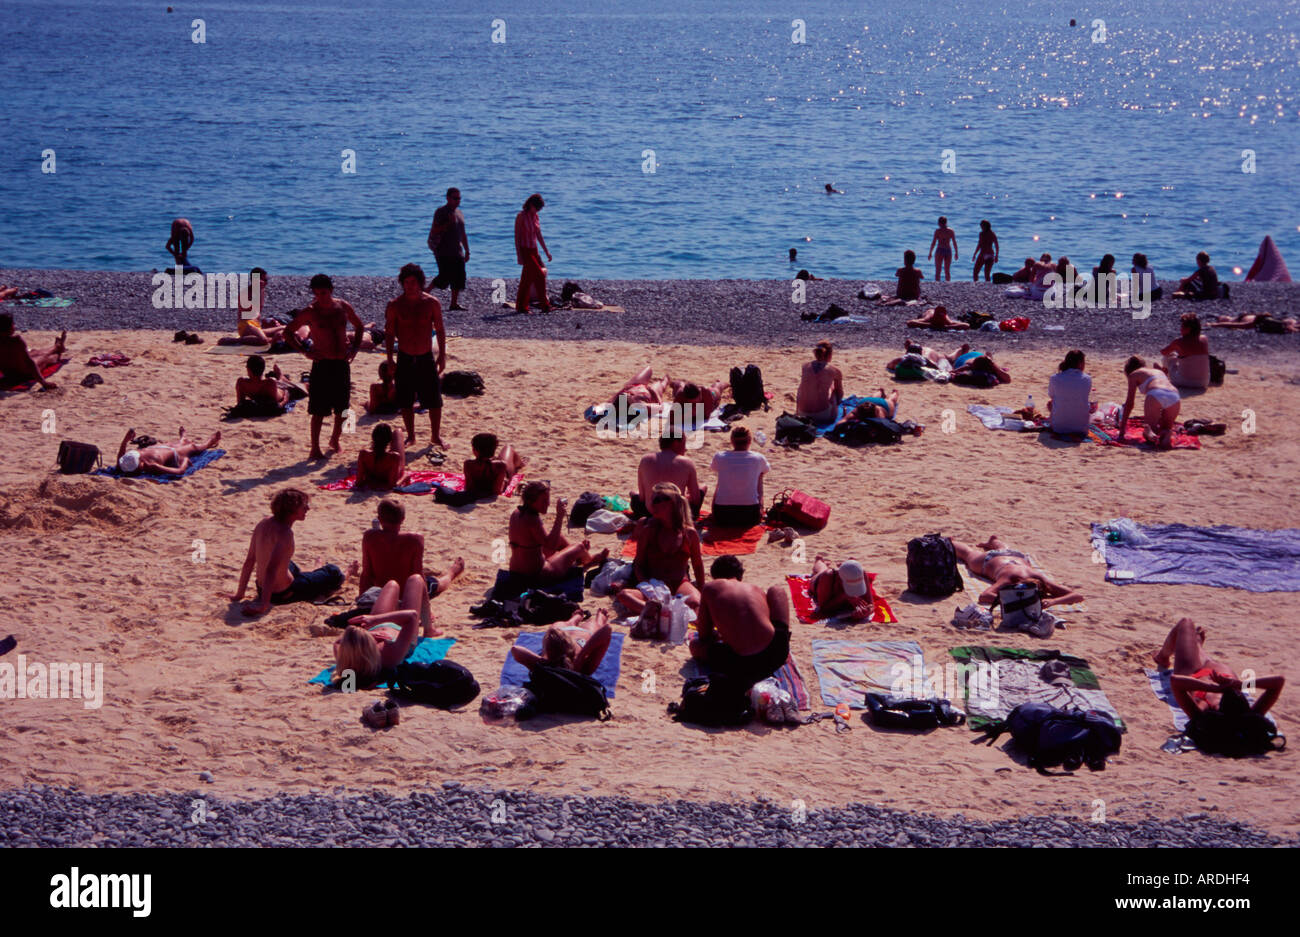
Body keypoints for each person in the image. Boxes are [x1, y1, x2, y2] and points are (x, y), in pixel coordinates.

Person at [284, 274, 364, 460]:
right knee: (318, 410)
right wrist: (305, 351)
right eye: (317, 293)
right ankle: (315, 447)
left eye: (324, 293)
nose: (321, 297)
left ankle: (335, 440)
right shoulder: (311, 311)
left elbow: (359, 326)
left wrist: (354, 349)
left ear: (331, 290)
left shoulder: (343, 307)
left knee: (343, 408)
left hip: (342, 363)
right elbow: (287, 332)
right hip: (322, 363)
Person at [689, 555, 791, 696]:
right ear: (740, 575)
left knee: (695, 646)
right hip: (777, 653)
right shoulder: (755, 589)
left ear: (715, 576)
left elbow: (704, 635)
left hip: (742, 664)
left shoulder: (710, 587)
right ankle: (784, 639)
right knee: (776, 590)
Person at [232, 488, 342, 616]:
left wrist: (239, 594)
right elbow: (271, 570)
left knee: (288, 563)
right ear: (292, 510)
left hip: (262, 589)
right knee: (334, 572)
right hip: (283, 593)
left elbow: (250, 560)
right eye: (304, 506)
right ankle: (343, 571)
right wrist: (264, 605)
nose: (308, 509)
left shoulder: (264, 523)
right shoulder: (285, 533)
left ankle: (314, 570)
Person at [1154, 618, 1285, 722]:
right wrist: (1239, 685)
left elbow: (1176, 681)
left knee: (1186, 623)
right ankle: (1197, 644)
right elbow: (1278, 681)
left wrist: (1214, 688)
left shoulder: (1202, 714)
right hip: (1221, 672)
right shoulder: (1250, 716)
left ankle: (1163, 657)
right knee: (1205, 657)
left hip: (1194, 674)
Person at [618, 483, 706, 623]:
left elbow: (697, 565)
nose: (653, 504)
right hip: (655, 584)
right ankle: (666, 614)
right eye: (653, 500)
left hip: (679, 582)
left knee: (698, 604)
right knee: (624, 595)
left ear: (673, 503)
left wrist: (702, 590)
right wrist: (646, 586)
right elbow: (638, 564)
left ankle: (659, 613)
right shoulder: (648, 530)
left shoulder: (688, 533)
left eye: (658, 500)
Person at [358, 498, 463, 615]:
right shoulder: (415, 539)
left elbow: (366, 574)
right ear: (403, 519)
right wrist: (426, 609)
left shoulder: (369, 537)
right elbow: (418, 573)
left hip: (383, 594)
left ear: (379, 518)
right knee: (437, 583)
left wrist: (361, 603)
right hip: (408, 595)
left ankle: (452, 571)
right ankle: (452, 572)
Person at [329, 576, 436, 690]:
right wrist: (375, 619)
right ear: (369, 649)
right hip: (401, 631)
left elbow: (338, 641)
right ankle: (429, 629)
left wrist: (369, 634)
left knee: (392, 584)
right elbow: (412, 616)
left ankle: (397, 608)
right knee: (416, 580)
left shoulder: (346, 656)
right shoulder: (388, 656)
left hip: (377, 626)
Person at [384, 263, 447, 449]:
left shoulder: (431, 303)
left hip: (425, 356)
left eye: (413, 282)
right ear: (402, 283)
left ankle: (435, 436)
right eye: (406, 282)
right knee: (406, 399)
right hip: (404, 357)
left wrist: (442, 355)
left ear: (420, 282)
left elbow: (441, 330)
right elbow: (389, 333)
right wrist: (389, 359)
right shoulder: (395, 305)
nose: (410, 285)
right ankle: (411, 436)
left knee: (434, 399)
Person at [507, 481, 608, 586]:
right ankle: (589, 560)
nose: (548, 504)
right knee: (579, 547)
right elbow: (550, 545)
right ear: (532, 501)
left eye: (548, 499)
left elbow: (543, 540)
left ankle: (580, 556)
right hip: (537, 576)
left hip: (516, 572)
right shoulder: (532, 520)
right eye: (544, 501)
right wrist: (559, 516)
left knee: (559, 538)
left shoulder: (517, 512)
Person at [949, 535, 1084, 609]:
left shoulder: (1040, 579)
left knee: (1002, 548)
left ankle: (994, 542)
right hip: (989, 561)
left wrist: (1054, 602)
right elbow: (984, 596)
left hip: (1014, 556)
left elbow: (1077, 596)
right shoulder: (1010, 578)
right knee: (968, 554)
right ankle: (950, 543)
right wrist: (1016, 602)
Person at [511, 608, 613, 677]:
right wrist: (581, 656)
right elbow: (607, 630)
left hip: (566, 635)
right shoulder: (580, 668)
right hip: (577, 635)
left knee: (563, 625)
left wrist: (542, 661)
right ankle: (598, 617)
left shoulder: (544, 667)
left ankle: (575, 618)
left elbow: (515, 649)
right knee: (596, 623)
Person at [708, 425, 770, 531]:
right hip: (750, 517)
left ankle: (714, 509)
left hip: (722, 516)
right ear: (750, 441)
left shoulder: (720, 456)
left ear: (732, 441)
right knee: (760, 474)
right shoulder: (758, 458)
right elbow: (765, 470)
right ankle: (760, 508)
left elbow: (714, 470)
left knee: (722, 477)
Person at [633, 431, 703, 518]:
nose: (686, 449)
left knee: (633, 493)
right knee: (702, 488)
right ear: (676, 443)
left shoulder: (645, 459)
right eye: (684, 444)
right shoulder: (687, 462)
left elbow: (642, 498)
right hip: (677, 515)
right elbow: (696, 499)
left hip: (650, 513)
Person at [1121, 356, 1181, 449]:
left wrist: (1122, 430)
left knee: (1150, 430)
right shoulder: (1158, 371)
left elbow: (1129, 404)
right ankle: (1167, 433)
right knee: (1166, 428)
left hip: (1155, 393)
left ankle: (1150, 434)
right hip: (1174, 395)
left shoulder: (1133, 375)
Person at [115, 426, 220, 476]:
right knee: (192, 447)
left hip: (159, 448)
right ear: (140, 465)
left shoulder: (123, 464)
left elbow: (120, 456)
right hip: (174, 454)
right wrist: (184, 461)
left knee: (172, 444)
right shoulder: (151, 466)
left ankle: (182, 439)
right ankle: (210, 442)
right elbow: (180, 471)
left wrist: (125, 440)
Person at [428, 188, 469, 311]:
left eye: (459, 198)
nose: (457, 201)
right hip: (443, 250)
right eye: (455, 198)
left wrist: (467, 250)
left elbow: (463, 234)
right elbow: (434, 230)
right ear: (448, 198)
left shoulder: (459, 213)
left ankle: (454, 303)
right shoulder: (441, 212)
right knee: (444, 276)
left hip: (457, 249)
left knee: (459, 276)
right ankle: (425, 292)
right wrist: (447, 224)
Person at [0, 314, 63, 390]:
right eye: (13, 324)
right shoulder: (16, 341)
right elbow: (29, 362)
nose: (15, 326)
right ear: (10, 327)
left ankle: (57, 347)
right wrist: (43, 383)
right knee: (44, 357)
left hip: (9, 374)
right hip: (25, 373)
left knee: (34, 352)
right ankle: (57, 347)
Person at [515, 193, 552, 313]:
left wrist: (546, 251)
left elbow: (538, 235)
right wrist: (519, 255)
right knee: (539, 275)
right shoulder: (521, 216)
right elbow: (517, 237)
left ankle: (521, 306)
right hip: (525, 250)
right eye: (537, 208)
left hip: (534, 250)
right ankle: (545, 306)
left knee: (526, 279)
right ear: (531, 205)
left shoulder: (535, 217)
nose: (538, 210)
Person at [809, 557, 874, 621]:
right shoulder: (828, 576)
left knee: (851, 567)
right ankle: (819, 560)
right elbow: (823, 608)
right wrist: (844, 596)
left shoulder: (860, 573)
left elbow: (870, 604)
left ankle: (847, 563)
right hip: (818, 583)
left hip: (842, 576)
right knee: (821, 569)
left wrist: (867, 612)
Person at [795, 340, 844, 425]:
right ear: (830, 355)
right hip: (823, 415)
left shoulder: (805, 366)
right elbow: (840, 393)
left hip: (802, 413)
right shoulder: (834, 370)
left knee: (805, 387)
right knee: (833, 388)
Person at [464, 432, 526, 498]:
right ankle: (521, 463)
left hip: (491, 468)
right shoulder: (500, 465)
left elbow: (469, 488)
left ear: (474, 450)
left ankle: (520, 463)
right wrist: (504, 480)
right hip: (502, 473)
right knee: (508, 448)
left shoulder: (468, 464)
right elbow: (497, 491)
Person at [1046, 349, 1094, 435]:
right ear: (1080, 364)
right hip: (1081, 428)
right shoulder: (1087, 379)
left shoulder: (1055, 378)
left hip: (1058, 428)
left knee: (1050, 403)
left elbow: (1051, 395)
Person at [1160, 313, 1211, 389]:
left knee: (1169, 355)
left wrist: (1175, 351)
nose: (1180, 329)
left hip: (1185, 381)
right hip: (1203, 382)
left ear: (1188, 329)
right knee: (1183, 358)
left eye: (1182, 327)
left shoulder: (1179, 342)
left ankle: (1164, 375)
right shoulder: (1204, 339)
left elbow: (1163, 352)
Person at [233, 355, 301, 412]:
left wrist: (286, 396)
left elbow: (278, 405)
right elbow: (240, 404)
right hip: (276, 389)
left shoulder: (242, 383)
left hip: (282, 389)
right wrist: (286, 397)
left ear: (248, 370)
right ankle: (279, 374)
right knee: (279, 381)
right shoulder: (269, 383)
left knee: (282, 382)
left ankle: (279, 374)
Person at [356, 423, 410, 490]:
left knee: (395, 433)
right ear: (389, 440)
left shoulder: (363, 454)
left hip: (373, 476)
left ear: (373, 437)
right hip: (387, 475)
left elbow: (358, 482)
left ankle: (380, 444)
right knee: (398, 431)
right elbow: (392, 485)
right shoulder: (394, 457)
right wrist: (405, 476)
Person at [1206, 311, 1300, 334]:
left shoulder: (1249, 323)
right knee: (1288, 323)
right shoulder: (1252, 322)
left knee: (1288, 323)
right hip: (1261, 320)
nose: (1225, 317)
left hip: (1261, 320)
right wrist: (1215, 324)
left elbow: (1232, 324)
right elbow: (1231, 324)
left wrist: (1215, 324)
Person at [929, 216, 958, 281]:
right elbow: (954, 242)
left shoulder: (938, 231)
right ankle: (948, 284)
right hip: (948, 250)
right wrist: (956, 252)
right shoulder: (951, 231)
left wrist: (930, 252)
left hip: (940, 249)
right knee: (947, 270)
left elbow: (933, 242)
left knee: (938, 270)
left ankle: (937, 284)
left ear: (939, 223)